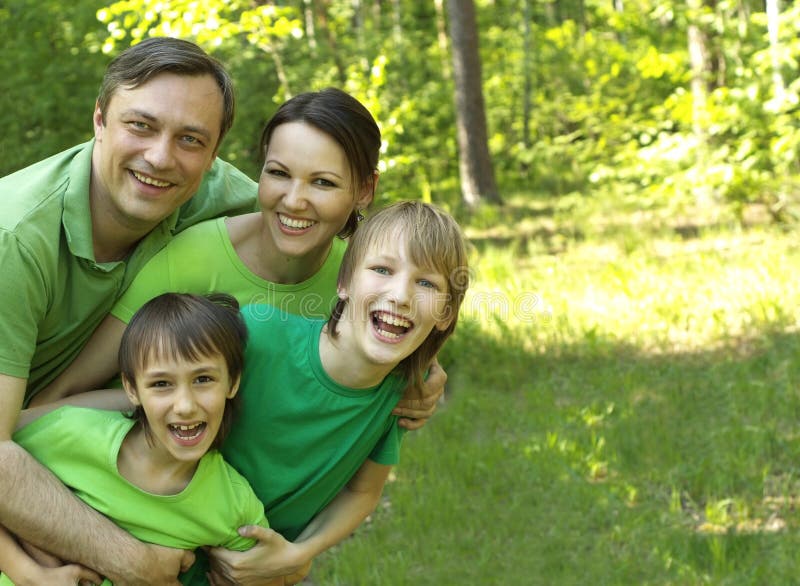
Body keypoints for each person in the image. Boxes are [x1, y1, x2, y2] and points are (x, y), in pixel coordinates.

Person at [0, 37, 259, 584]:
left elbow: (354, 244)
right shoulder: (14, 239)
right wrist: (131, 561)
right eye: (140, 125)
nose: (161, 157)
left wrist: (420, 360)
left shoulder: (224, 196)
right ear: (99, 119)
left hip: (84, 437)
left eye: (190, 139)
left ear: (214, 155)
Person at [0, 293, 279, 586]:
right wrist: (25, 570)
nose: (185, 406)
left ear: (232, 382)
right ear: (132, 389)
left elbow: (270, 577)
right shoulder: (72, 433)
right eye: (161, 384)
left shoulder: (233, 504)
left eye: (203, 379)